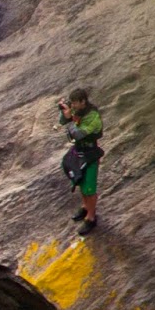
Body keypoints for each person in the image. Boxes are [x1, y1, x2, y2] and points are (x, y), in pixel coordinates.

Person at [58, 87, 104, 236]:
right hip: (79, 151)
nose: (73, 106)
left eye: (75, 103)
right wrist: (64, 113)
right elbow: (62, 121)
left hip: (90, 153)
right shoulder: (77, 111)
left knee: (89, 188)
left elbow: (78, 134)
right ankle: (85, 207)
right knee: (80, 180)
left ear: (83, 102)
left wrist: (71, 119)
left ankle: (91, 217)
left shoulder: (93, 117)